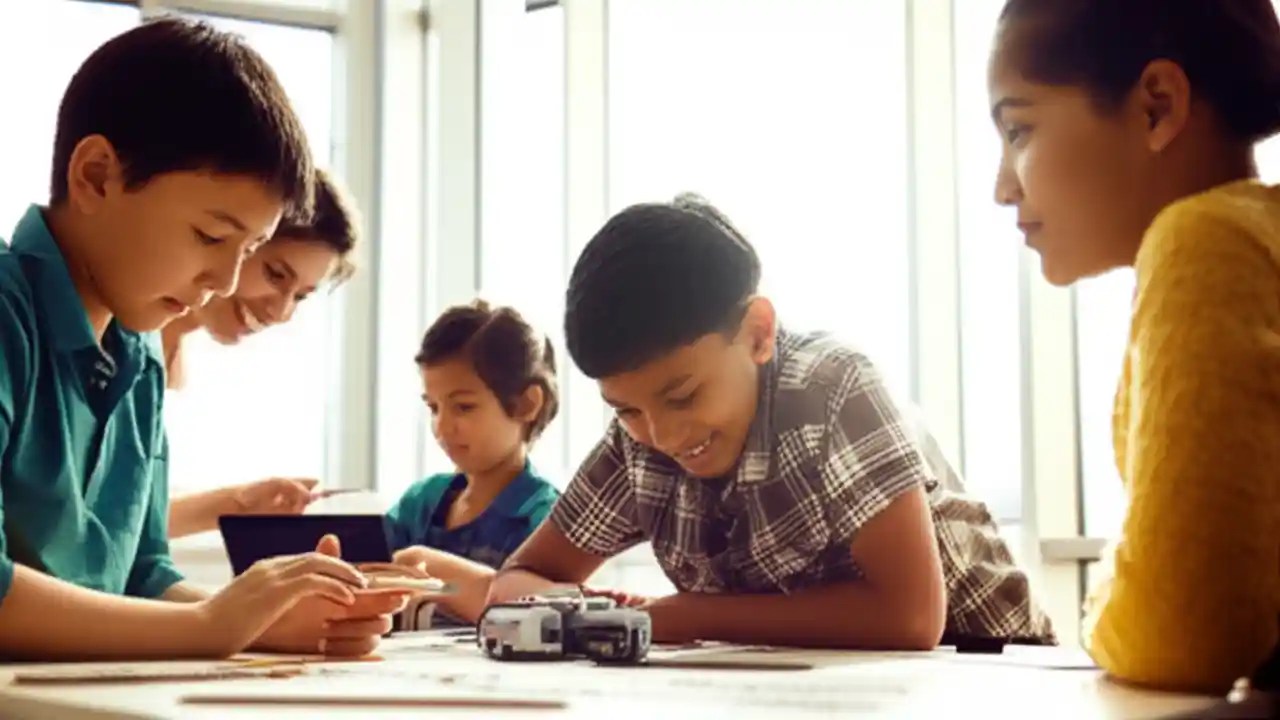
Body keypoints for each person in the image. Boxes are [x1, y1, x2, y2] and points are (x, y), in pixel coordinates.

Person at [0, 17, 404, 659]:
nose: (224, 280)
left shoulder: (136, 355)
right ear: (97, 176)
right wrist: (208, 626)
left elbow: (142, 576)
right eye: (212, 238)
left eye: (247, 251)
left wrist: (268, 619)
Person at [488, 194, 1053, 649]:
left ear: (758, 333)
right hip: (806, 683)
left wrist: (686, 616)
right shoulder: (640, 439)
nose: (663, 436)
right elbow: (520, 577)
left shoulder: (833, 389)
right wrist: (585, 614)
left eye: (683, 395)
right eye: (627, 409)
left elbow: (909, 619)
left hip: (985, 666)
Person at [988, 0, 1280, 692]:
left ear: (1157, 106)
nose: (1004, 188)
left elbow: (1177, 635)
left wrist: (1100, 609)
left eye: (1019, 130)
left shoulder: (1208, 241)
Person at [161, 169, 361, 539]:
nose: (281, 312)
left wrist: (239, 504)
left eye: (300, 296)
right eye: (276, 275)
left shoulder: (178, 359)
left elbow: (123, 525)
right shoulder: (126, 340)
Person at [377, 301, 561, 626]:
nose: (442, 427)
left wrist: (429, 567)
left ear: (526, 404)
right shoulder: (420, 503)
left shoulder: (546, 519)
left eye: (463, 407)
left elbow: (550, 613)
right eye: (433, 408)